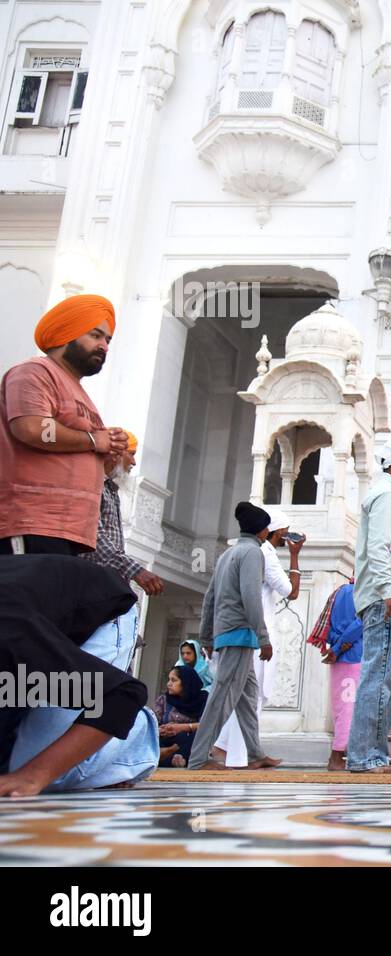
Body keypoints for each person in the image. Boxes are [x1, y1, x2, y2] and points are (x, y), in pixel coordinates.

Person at [1, 556, 158, 795]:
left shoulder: (12, 636)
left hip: (102, 612)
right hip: (37, 615)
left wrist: (33, 776)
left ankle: (137, 733)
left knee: (28, 765)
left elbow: (122, 694)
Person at [0, 295, 130, 555]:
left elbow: (85, 455)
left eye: (108, 340)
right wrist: (94, 440)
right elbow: (32, 429)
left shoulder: (81, 394)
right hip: (31, 522)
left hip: (71, 530)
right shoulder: (35, 372)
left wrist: (111, 453)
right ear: (66, 333)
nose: (104, 346)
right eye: (95, 335)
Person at [187, 502, 282, 772]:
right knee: (222, 697)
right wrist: (264, 637)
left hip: (227, 633)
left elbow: (210, 598)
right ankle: (198, 758)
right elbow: (251, 597)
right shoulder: (253, 553)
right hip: (240, 635)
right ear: (263, 531)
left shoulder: (228, 554)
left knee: (247, 698)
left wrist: (206, 635)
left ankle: (255, 753)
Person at [213, 507, 302, 768]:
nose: (287, 540)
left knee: (242, 695)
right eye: (284, 534)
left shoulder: (236, 553)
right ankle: (237, 756)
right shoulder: (265, 555)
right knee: (253, 695)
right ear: (270, 532)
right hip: (256, 634)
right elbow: (291, 592)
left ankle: (234, 750)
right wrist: (295, 557)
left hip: (238, 632)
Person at [346, 436, 391, 773]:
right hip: (384, 597)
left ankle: (370, 751)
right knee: (380, 676)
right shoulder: (387, 494)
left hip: (387, 595)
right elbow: (380, 547)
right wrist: (390, 590)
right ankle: (365, 756)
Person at [85, 431, 165, 596]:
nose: (134, 462)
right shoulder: (91, 483)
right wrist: (135, 571)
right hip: (86, 584)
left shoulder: (110, 490)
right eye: (132, 454)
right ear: (115, 453)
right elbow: (94, 538)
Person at [308, 581, 364, 771]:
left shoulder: (339, 591)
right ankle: (337, 755)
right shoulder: (357, 591)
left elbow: (331, 626)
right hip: (353, 656)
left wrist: (336, 647)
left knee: (341, 708)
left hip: (341, 656)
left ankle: (341, 753)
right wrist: (340, 646)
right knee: (348, 709)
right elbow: (360, 622)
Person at [153, 666, 207, 768]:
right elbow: (154, 722)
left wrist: (181, 727)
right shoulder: (164, 700)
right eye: (169, 680)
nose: (169, 684)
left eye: (174, 680)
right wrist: (161, 730)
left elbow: (207, 725)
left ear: (186, 682)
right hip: (166, 740)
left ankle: (176, 758)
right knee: (151, 737)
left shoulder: (203, 699)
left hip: (187, 742)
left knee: (195, 736)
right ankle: (172, 758)